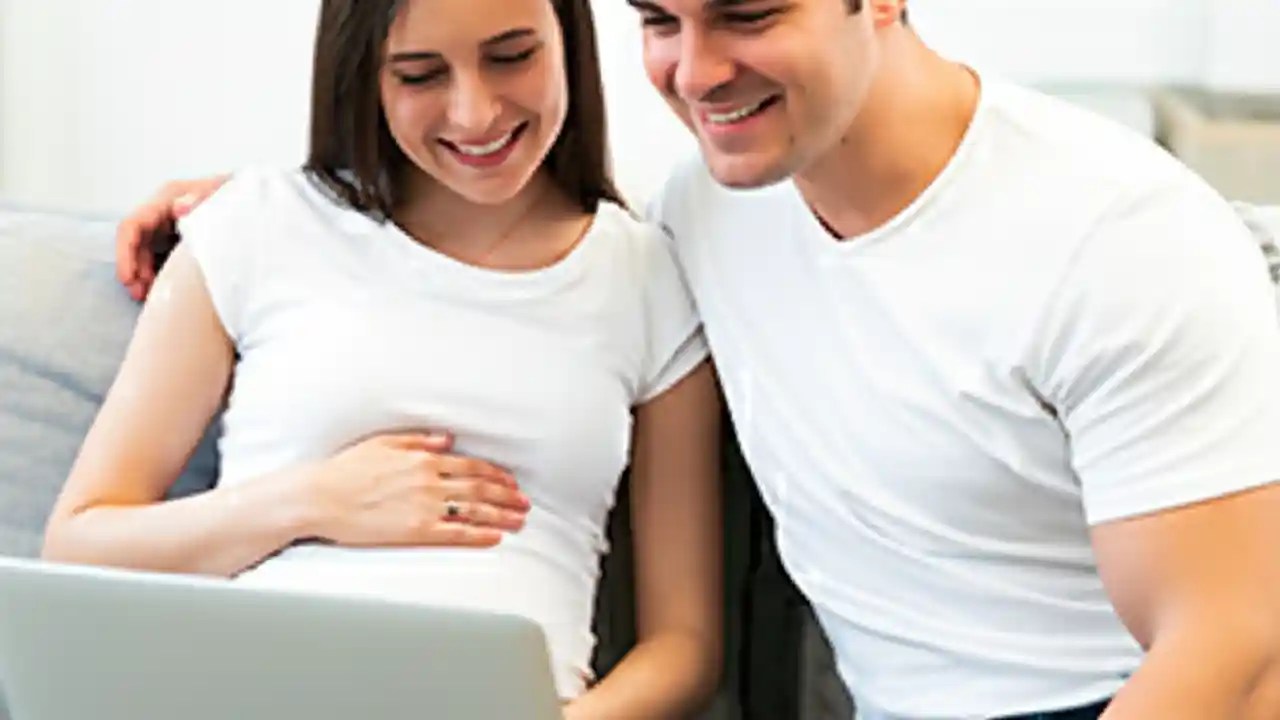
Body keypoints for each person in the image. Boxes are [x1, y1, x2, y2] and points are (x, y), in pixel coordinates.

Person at [115, 1, 1280, 719]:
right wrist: (264, 214)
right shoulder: (708, 213)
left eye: (747, 13)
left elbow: (1227, 650)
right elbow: (487, 253)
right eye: (660, 22)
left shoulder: (1117, 232)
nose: (695, 70)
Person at [44, 0, 724, 717]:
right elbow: (81, 544)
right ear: (363, 76)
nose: (475, 113)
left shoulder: (647, 274)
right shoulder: (256, 224)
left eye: (511, 56)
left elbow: (685, 643)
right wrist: (311, 501)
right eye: (420, 74)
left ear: (569, 43)